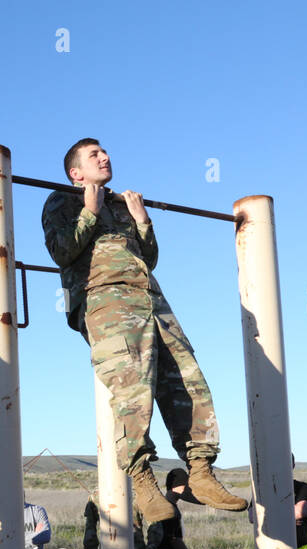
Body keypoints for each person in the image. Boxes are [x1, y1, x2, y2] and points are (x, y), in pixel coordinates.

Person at [41, 139, 247, 525]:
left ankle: (200, 471)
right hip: (106, 303)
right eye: (94, 155)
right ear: (76, 172)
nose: (105, 157)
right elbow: (61, 250)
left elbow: (148, 259)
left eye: (105, 152)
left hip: (151, 299)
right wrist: (89, 210)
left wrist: (142, 221)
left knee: (189, 381)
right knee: (133, 389)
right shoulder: (61, 200)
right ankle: (143, 483)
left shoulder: (122, 202)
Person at [145, 468, 203, 549]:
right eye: (184, 485)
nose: (187, 488)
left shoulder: (166, 506)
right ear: (175, 486)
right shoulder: (170, 510)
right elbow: (174, 540)